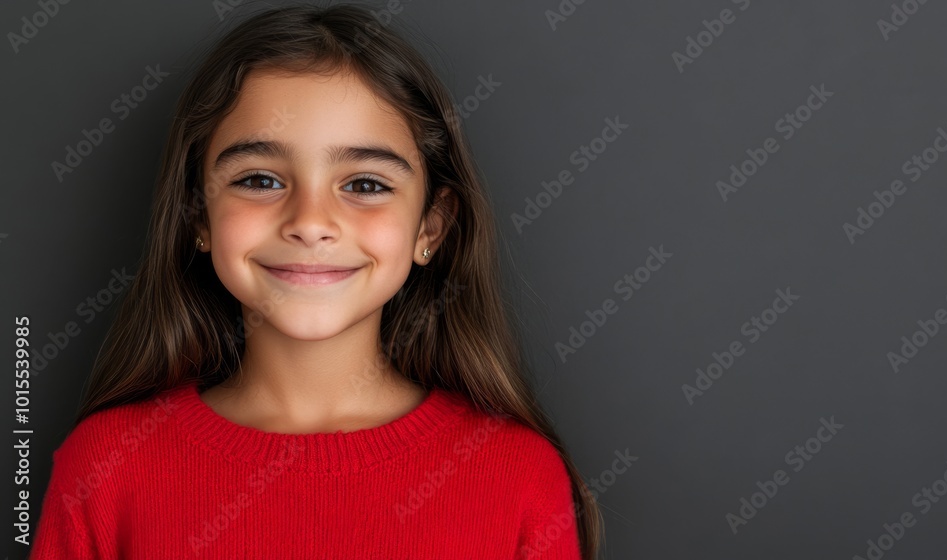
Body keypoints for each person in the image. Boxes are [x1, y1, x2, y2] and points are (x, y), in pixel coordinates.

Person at [28, 3, 603, 559]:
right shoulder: (104, 468)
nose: (309, 222)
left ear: (431, 226)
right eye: (258, 179)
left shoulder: (518, 476)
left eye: (366, 185)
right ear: (198, 216)